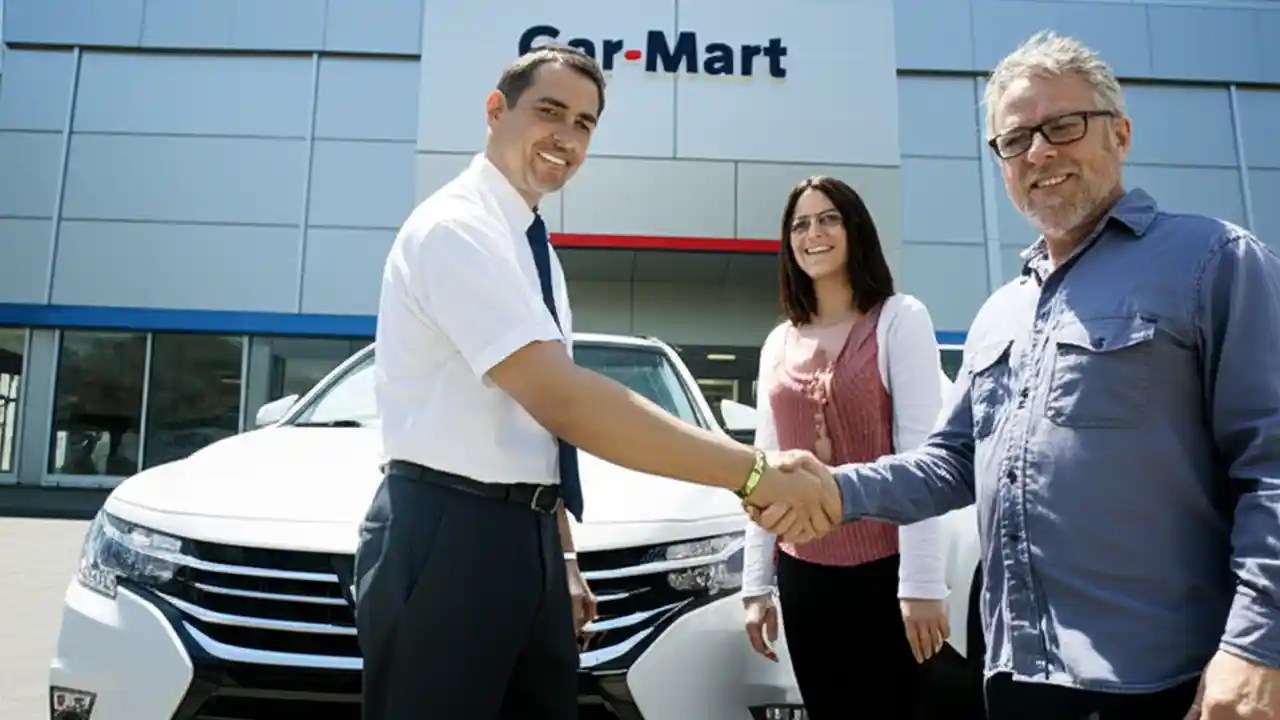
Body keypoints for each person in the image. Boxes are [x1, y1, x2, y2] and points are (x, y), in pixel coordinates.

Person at [754, 30, 1280, 719]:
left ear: (1119, 134)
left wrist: (1256, 645)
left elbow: (1270, 466)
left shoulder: (1214, 262)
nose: (1039, 151)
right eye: (1015, 140)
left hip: (1166, 682)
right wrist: (834, 489)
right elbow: (951, 462)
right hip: (1017, 678)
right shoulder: (1002, 312)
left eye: (1063, 126)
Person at [354, 44, 841, 720]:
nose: (567, 137)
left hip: (526, 539)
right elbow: (563, 398)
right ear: (496, 111)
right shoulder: (456, 229)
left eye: (584, 123)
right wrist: (754, 474)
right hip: (447, 536)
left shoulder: (532, 249)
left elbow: (536, 427)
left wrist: (563, 559)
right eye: (550, 112)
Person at [740, 176, 952, 719]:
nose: (814, 233)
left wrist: (924, 584)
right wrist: (756, 585)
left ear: (855, 227)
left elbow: (923, 458)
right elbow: (764, 465)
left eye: (828, 218)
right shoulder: (777, 341)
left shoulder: (899, 319)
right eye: (800, 224)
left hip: (885, 573)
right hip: (804, 576)